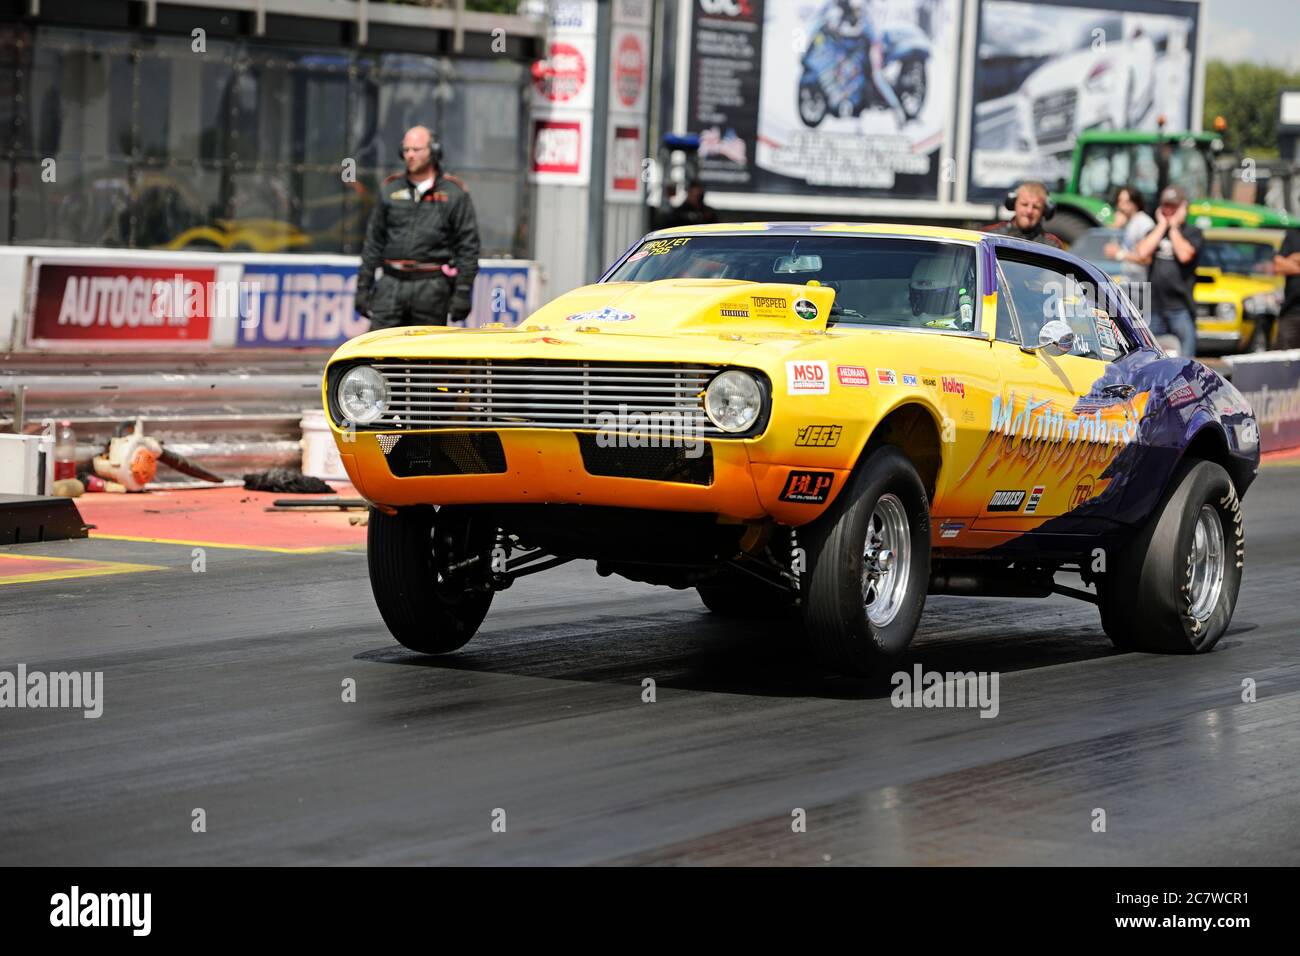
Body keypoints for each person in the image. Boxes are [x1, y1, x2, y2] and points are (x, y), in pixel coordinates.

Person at [354, 125, 480, 330]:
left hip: (431, 288)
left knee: (426, 357)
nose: (410, 155)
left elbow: (468, 247)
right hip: (390, 285)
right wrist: (363, 287)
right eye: (406, 150)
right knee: (378, 352)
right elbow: (373, 243)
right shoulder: (390, 189)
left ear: (434, 150)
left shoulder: (454, 193)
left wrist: (463, 291)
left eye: (416, 149)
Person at [1133, 185, 1203, 357]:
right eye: (1166, 205)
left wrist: (1173, 228)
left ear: (1183, 208)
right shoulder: (1154, 232)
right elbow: (1142, 252)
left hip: (1180, 308)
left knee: (1186, 362)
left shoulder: (1193, 233)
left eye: (1174, 206)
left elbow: (1185, 255)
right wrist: (1162, 225)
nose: (1169, 210)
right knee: (1150, 357)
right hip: (1155, 307)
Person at [982, 181, 1065, 248]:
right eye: (1024, 204)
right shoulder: (989, 235)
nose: (1029, 211)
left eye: (1036, 207)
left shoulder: (1052, 246)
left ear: (1045, 211)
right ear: (1013, 204)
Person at [1103, 185, 1155, 283]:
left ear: (1136, 203)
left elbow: (1146, 258)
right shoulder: (1129, 222)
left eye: (1126, 202)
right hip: (1128, 279)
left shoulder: (1143, 222)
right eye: (1120, 201)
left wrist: (1119, 254)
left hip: (1140, 282)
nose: (1121, 206)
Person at [1272, 228, 1300, 350]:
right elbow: (1277, 265)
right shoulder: (1293, 235)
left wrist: (1294, 259)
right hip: (1292, 310)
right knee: (1284, 358)